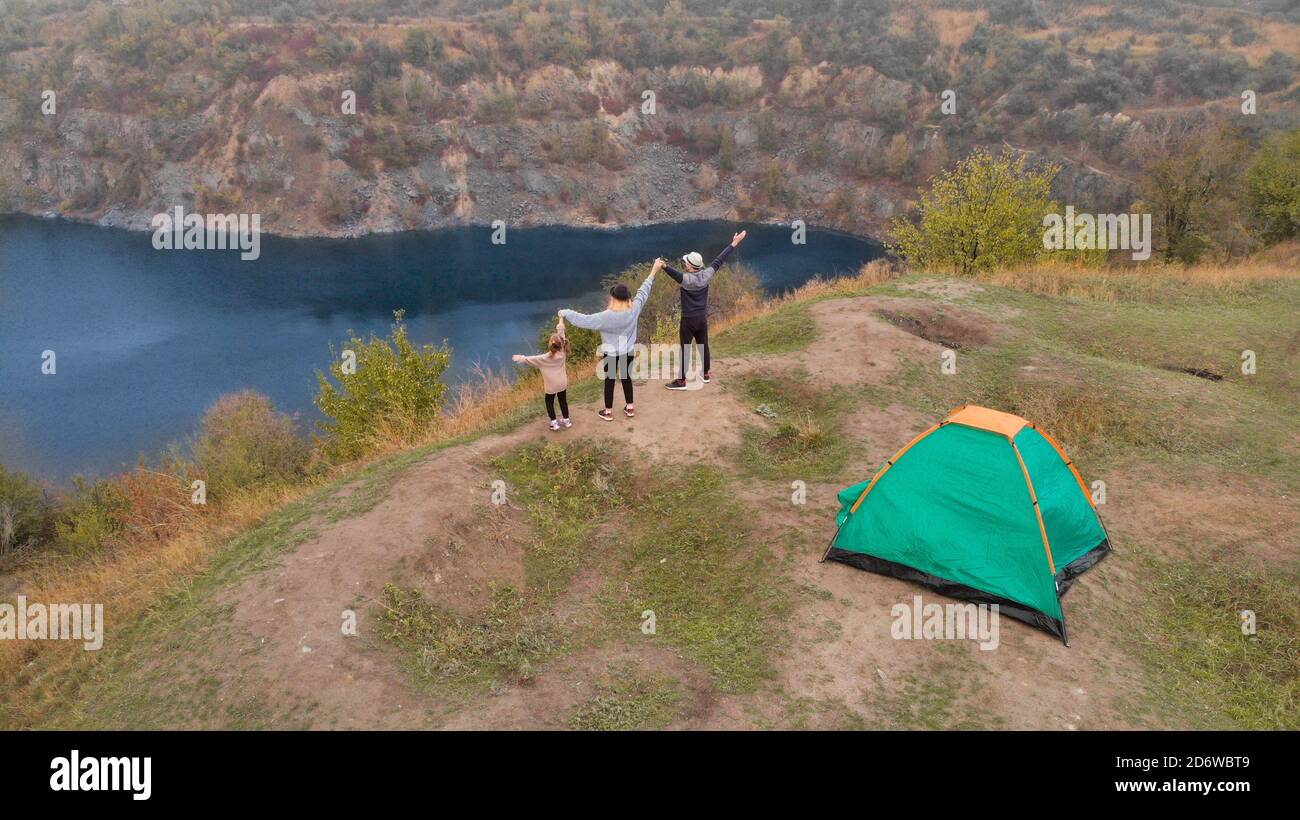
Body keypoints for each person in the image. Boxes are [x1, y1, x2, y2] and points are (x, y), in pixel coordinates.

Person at [559, 260, 658, 421]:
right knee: (626, 378)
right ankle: (630, 408)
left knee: (610, 381)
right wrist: (653, 270)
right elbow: (643, 291)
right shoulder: (634, 309)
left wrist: (565, 312)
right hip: (628, 351)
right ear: (627, 298)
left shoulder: (605, 317)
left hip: (610, 354)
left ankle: (608, 412)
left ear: (613, 297)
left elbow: (583, 320)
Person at [659, 229, 746, 389]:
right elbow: (720, 260)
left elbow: (674, 274)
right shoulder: (707, 275)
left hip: (688, 320)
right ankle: (705, 374)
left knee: (685, 349)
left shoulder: (686, 279)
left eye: (686, 262)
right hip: (701, 318)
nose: (684, 263)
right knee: (703, 345)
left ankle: (681, 381)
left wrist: (663, 265)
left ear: (691, 266)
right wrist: (734, 243)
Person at [512, 317, 571, 431]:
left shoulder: (545, 358)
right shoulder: (563, 351)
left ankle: (554, 423)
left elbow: (530, 359)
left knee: (549, 401)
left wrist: (520, 358)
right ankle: (567, 420)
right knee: (563, 400)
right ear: (561, 344)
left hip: (551, 385)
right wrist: (561, 318)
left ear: (551, 344)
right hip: (562, 382)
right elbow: (561, 332)